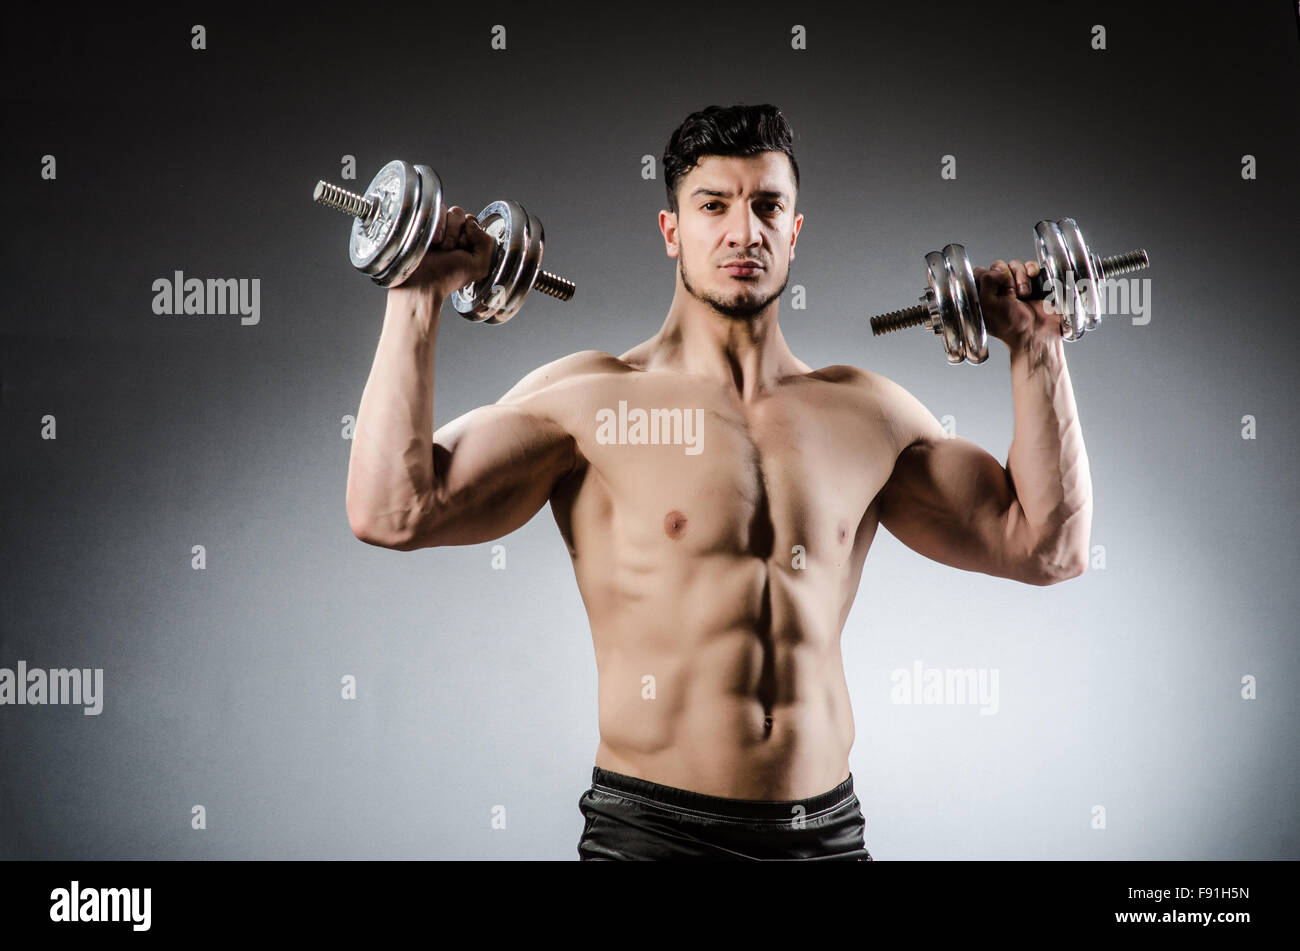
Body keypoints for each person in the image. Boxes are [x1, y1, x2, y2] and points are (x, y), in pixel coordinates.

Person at [344, 103, 1093, 860]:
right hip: (652, 836)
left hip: (825, 836)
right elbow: (392, 509)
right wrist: (416, 295)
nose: (744, 232)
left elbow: (1047, 547)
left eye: (768, 205)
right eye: (713, 206)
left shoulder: (869, 413)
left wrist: (1035, 348)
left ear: (794, 230)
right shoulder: (590, 400)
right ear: (672, 230)